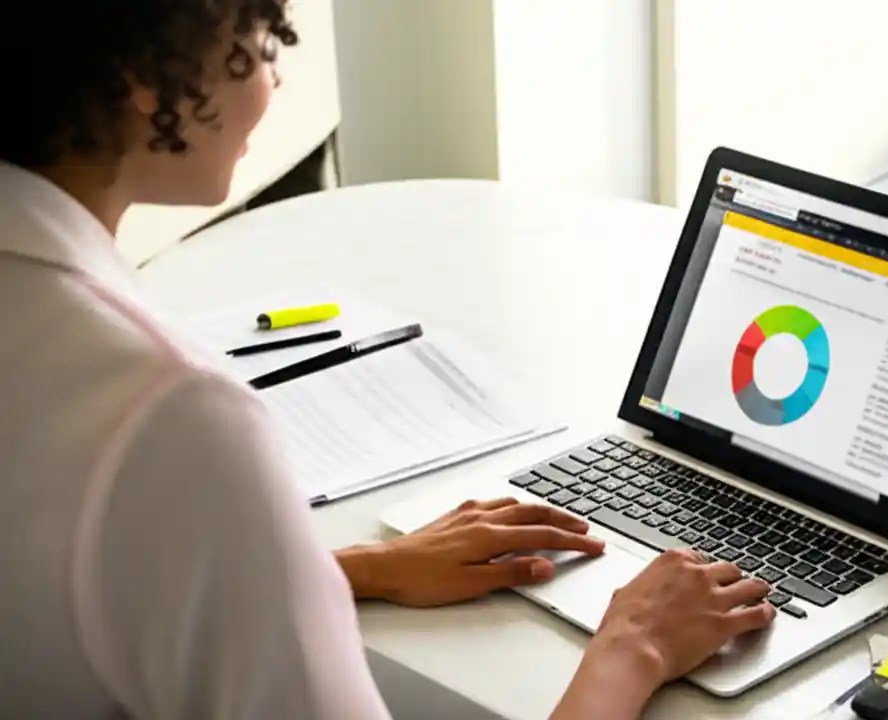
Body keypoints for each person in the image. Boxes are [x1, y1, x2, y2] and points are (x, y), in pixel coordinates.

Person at [0, 2, 776, 718]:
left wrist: (342, 568)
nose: (273, 79)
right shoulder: (169, 411)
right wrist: (631, 649)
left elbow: (76, 583)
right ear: (141, 69)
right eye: (261, 39)